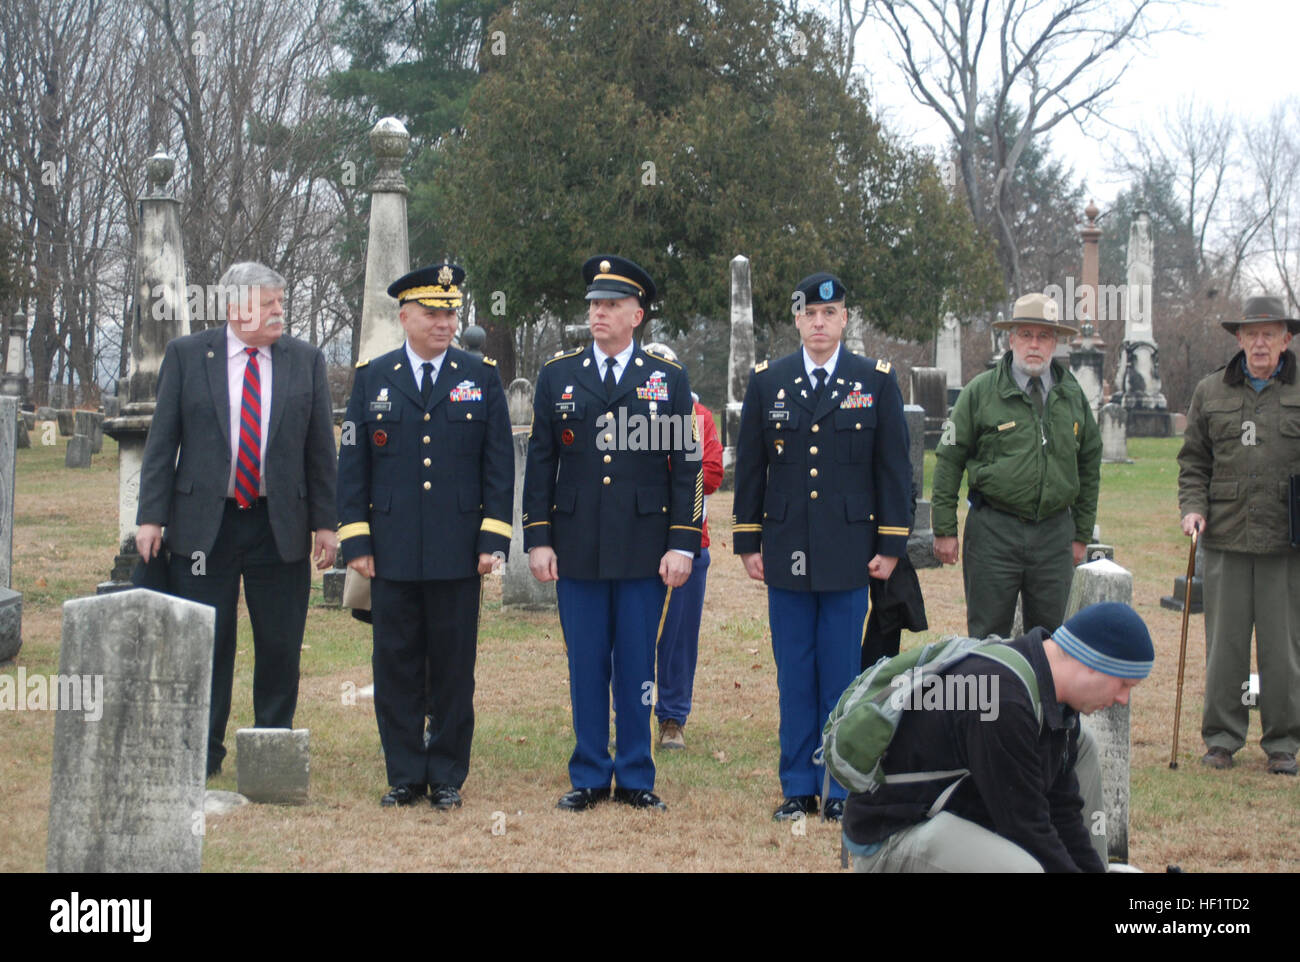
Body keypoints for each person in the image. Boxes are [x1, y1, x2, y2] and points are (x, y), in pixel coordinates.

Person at [136, 261, 338, 778]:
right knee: (207, 640)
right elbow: (162, 443)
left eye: (281, 302)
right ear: (234, 307)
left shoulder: (306, 361)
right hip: (206, 525)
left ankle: (272, 746)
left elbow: (320, 451)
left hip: (279, 524)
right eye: (268, 303)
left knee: (279, 640)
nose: (279, 312)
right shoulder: (186, 355)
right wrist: (151, 517)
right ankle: (202, 752)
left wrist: (327, 523)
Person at [523, 255, 702, 812]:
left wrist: (682, 541)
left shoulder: (666, 379)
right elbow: (540, 462)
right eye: (594, 305)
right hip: (576, 544)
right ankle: (590, 774)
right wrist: (538, 538)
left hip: (645, 546)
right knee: (585, 663)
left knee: (635, 663)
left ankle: (636, 774)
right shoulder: (558, 376)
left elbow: (687, 465)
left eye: (611, 305)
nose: (598, 313)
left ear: (637, 315)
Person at [732, 272, 912, 822]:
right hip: (785, 547)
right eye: (809, 313)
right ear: (796, 319)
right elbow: (752, 469)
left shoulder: (874, 381)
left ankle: (838, 788)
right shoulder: (768, 382)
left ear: (844, 320)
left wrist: (892, 544)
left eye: (828, 314)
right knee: (795, 671)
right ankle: (796, 786)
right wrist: (748, 540)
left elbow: (893, 469)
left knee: (840, 673)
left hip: (847, 550)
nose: (818, 322)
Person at [336, 263, 513, 808]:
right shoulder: (372, 376)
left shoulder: (479, 375)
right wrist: (357, 542)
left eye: (451, 313)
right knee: (395, 665)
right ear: (405, 316)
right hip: (390, 550)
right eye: (434, 313)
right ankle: (405, 773)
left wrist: (492, 540)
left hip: (458, 549)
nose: (446, 323)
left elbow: (498, 464)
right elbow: (353, 464)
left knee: (455, 667)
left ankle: (448, 776)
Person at [842, 601, 1154, 873]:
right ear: (1091, 664)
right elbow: (1025, 826)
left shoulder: (1052, 697)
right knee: (1025, 870)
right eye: (1124, 684)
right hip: (893, 838)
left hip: (950, 820)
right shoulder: (1002, 699)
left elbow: (1062, 809)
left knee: (1085, 744)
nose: (1124, 699)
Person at [1177, 295, 1300, 776]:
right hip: (1225, 538)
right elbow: (1193, 462)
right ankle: (1222, 739)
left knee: (1283, 650)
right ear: (1239, 339)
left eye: (1270, 333)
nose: (1261, 342)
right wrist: (1192, 509)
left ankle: (1284, 743)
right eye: (1252, 333)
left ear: (1286, 339)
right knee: (1224, 648)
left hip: (1285, 542)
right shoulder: (1211, 392)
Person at [932, 292, 1101, 639]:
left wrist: (1081, 534)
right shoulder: (980, 392)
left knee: (1055, 642)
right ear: (1011, 340)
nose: (1034, 345)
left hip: (1054, 535)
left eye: (1043, 336)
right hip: (994, 532)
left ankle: (1042, 697)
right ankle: (988, 696)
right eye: (1026, 335)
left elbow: (1089, 462)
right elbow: (949, 458)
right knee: (986, 639)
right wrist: (944, 528)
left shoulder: (1072, 395)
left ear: (1056, 342)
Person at [641, 342, 724, 751]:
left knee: (678, 638)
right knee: (633, 637)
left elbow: (709, 473)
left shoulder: (699, 416)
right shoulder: (628, 416)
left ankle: (673, 717)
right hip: (637, 541)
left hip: (690, 541)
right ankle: (632, 713)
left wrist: (668, 464)